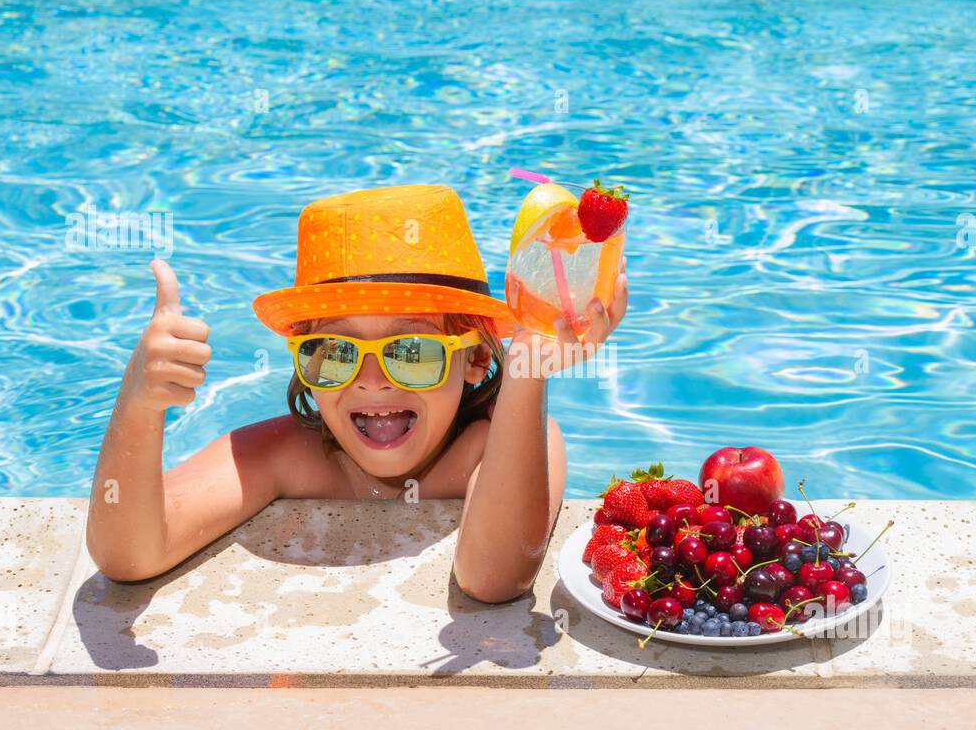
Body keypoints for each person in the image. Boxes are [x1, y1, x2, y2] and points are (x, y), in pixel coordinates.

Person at [85, 184, 627, 602]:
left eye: (411, 351)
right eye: (337, 351)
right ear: (306, 359)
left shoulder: (502, 446)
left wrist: (528, 373)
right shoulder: (285, 455)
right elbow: (129, 554)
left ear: (477, 358)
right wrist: (138, 403)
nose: (373, 379)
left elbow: (492, 580)